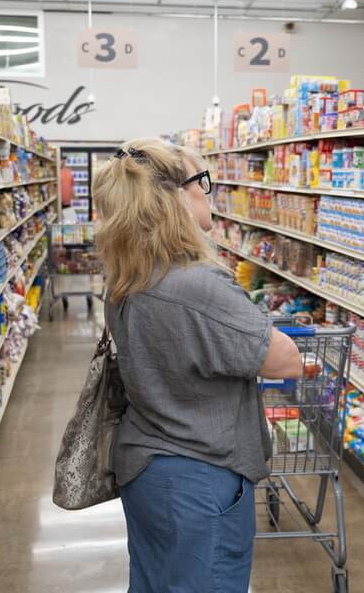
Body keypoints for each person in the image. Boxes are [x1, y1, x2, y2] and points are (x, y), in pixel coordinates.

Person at [93, 138, 303, 592]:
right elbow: (285, 359)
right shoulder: (195, 284)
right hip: (199, 476)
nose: (208, 192)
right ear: (172, 198)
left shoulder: (129, 274)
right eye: (200, 182)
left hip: (147, 467)